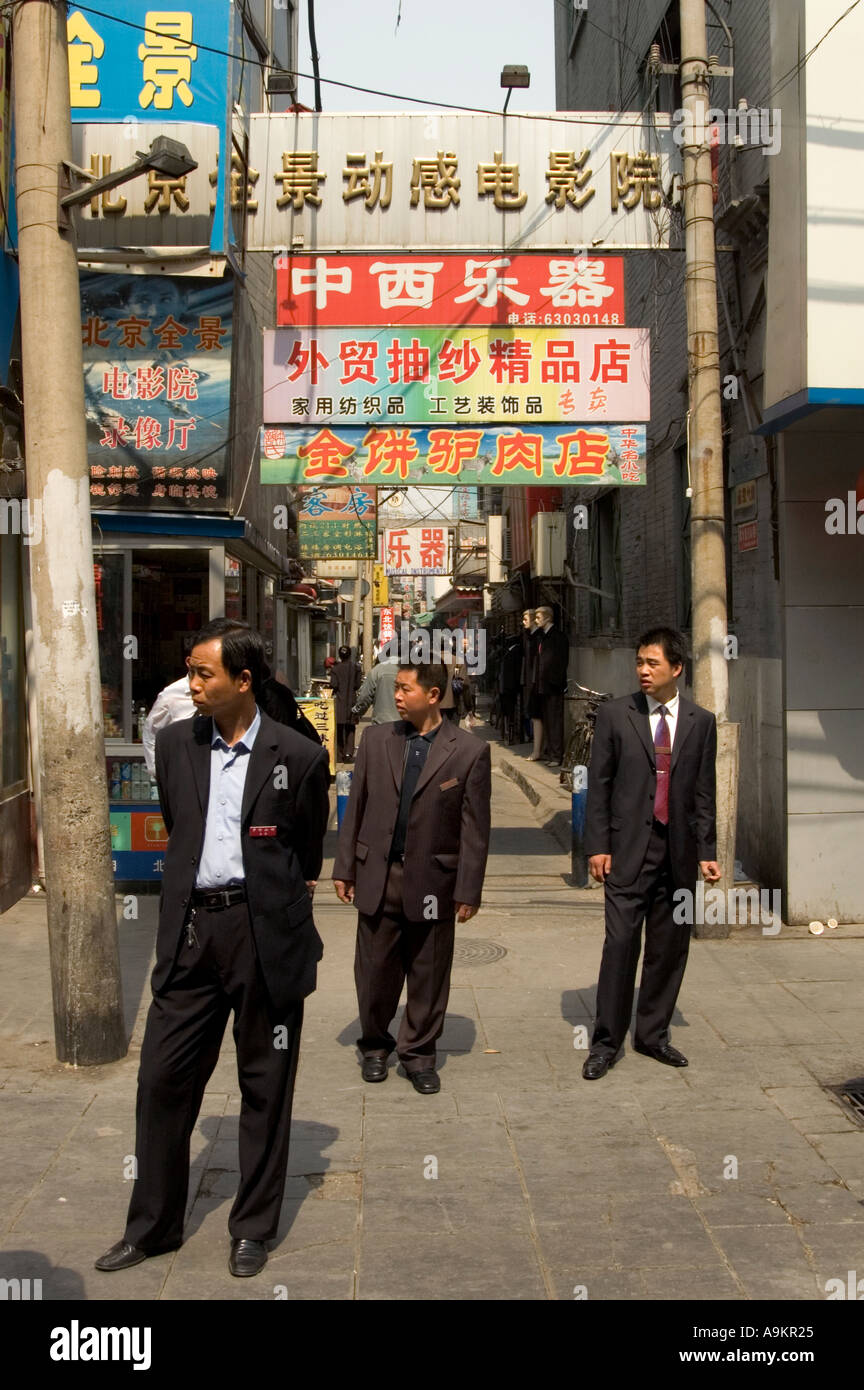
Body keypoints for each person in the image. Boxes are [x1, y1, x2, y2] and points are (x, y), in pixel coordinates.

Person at [95, 619, 330, 1278]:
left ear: (243, 681)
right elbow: (180, 826)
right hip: (192, 932)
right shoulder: (174, 745)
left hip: (264, 936)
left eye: (204, 673)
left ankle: (252, 1226)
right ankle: (153, 1228)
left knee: (265, 1082)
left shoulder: (298, 756)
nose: (191, 684)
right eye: (190, 670)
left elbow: (304, 847)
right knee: (162, 1082)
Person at [332, 662, 491, 1095]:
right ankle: (375, 1047)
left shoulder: (469, 751)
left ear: (434, 695)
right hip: (378, 874)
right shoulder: (377, 739)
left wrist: (468, 889)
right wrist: (344, 866)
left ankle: (419, 1054)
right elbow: (356, 808)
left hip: (433, 880)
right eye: (396, 689)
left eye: (405, 689)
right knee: (374, 971)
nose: (397, 696)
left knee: (428, 972)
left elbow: (475, 829)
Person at [581, 626, 721, 1080]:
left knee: (669, 948)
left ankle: (653, 1035)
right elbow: (598, 784)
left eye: (652, 663)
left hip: (677, 852)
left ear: (676, 668)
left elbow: (704, 792)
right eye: (639, 662)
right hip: (626, 852)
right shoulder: (616, 715)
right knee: (620, 944)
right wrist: (598, 846)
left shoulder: (701, 722)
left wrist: (707, 850)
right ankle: (605, 1042)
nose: (642, 670)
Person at [532, 606, 569, 766]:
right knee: (547, 720)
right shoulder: (542, 637)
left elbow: (561, 662)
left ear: (547, 618)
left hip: (554, 687)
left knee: (555, 722)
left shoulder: (558, 637)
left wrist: (555, 682)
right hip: (544, 687)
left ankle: (556, 755)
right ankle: (550, 753)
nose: (536, 620)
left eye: (539, 617)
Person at [141, 674, 195, 776]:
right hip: (182, 771)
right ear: (189, 662)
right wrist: (157, 772)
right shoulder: (171, 694)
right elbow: (151, 731)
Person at [329, 644, 362, 761]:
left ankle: (340, 753)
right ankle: (349, 753)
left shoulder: (335, 669)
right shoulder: (356, 667)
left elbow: (334, 685)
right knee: (351, 727)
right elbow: (358, 685)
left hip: (340, 701)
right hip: (352, 701)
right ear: (350, 655)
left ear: (339, 655)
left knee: (339, 727)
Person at [352, 658, 399, 725]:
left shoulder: (378, 670)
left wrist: (357, 712)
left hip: (382, 723)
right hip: (407, 726)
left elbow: (364, 696)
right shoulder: (413, 669)